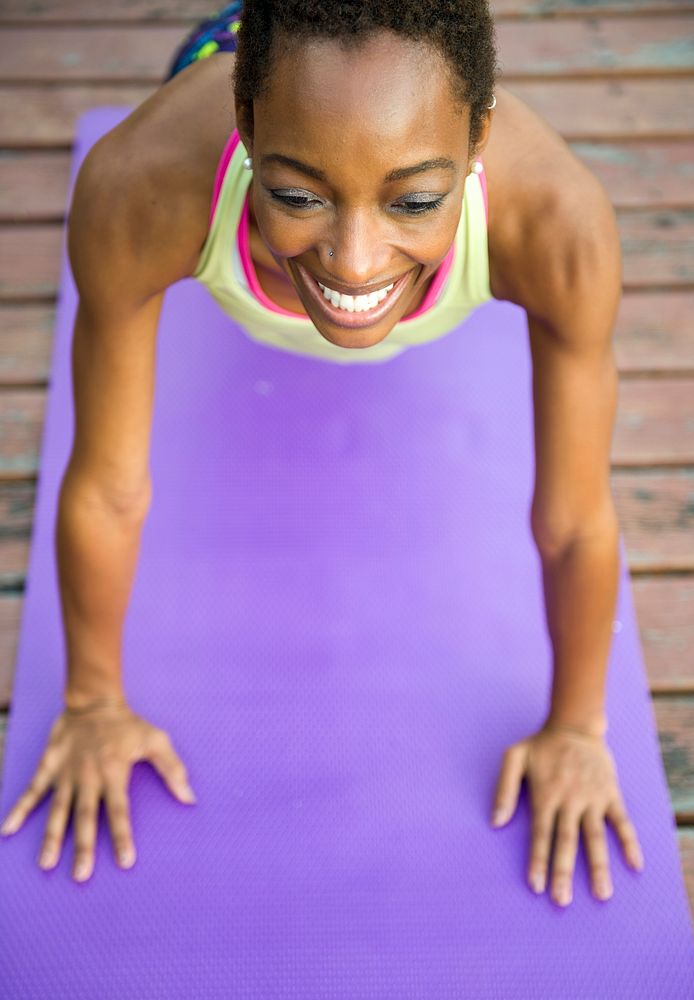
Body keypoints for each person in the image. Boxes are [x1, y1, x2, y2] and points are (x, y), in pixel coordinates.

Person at [0, 0, 644, 906]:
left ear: (480, 140)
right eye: (297, 193)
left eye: (415, 201)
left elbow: (575, 521)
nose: (351, 260)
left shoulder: (558, 226)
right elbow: (107, 488)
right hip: (226, 49)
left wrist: (579, 725)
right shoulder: (140, 188)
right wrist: (92, 702)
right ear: (246, 124)